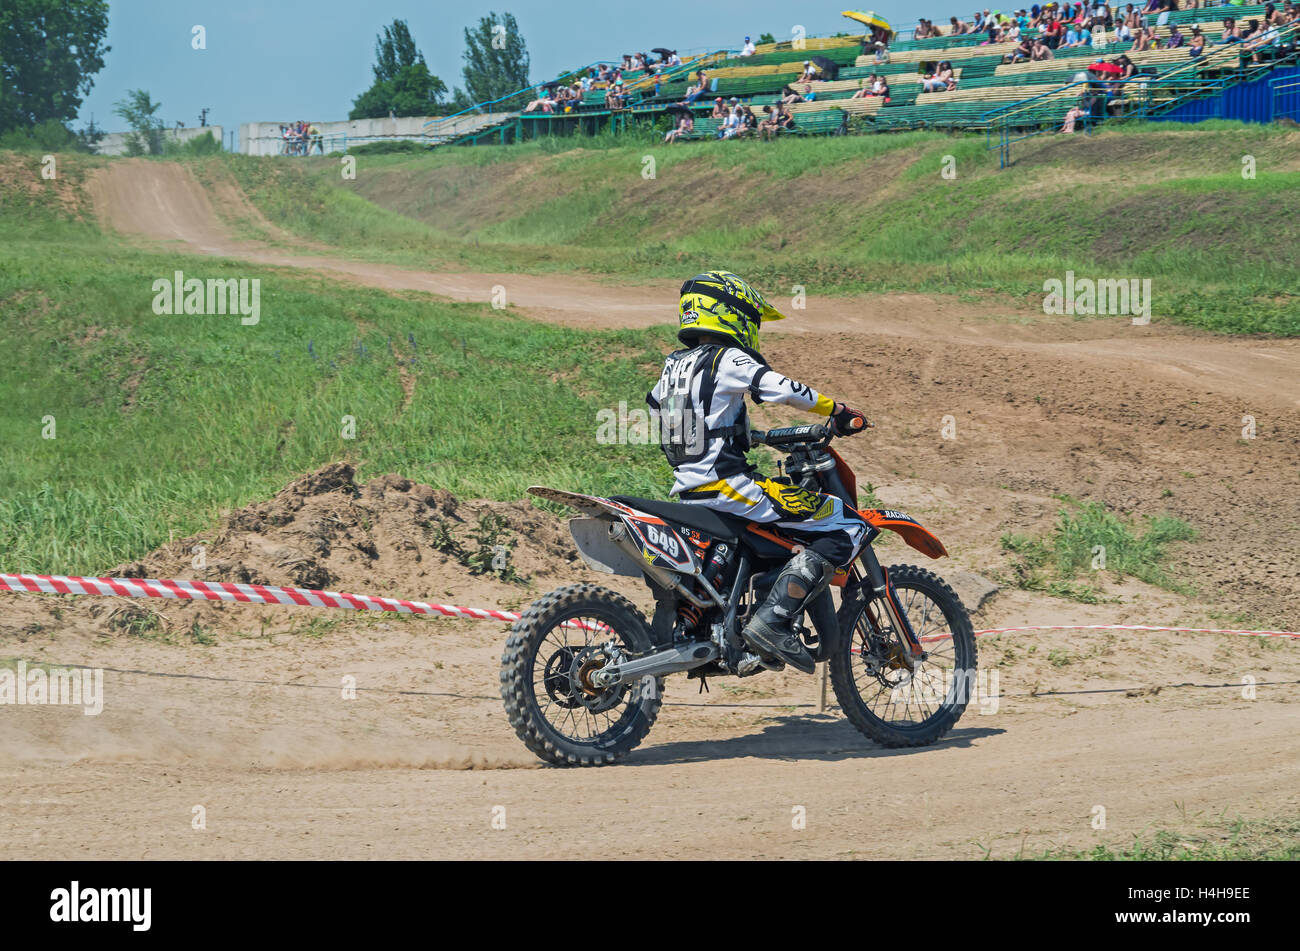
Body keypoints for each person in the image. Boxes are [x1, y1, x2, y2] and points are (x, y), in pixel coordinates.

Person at [646, 272, 870, 673]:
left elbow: (659, 409)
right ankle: (772, 621)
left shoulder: (673, 366)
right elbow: (781, 388)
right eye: (753, 318)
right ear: (731, 313)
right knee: (846, 525)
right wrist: (837, 411)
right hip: (731, 489)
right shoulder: (728, 358)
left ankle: (733, 613)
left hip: (690, 492)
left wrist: (741, 432)